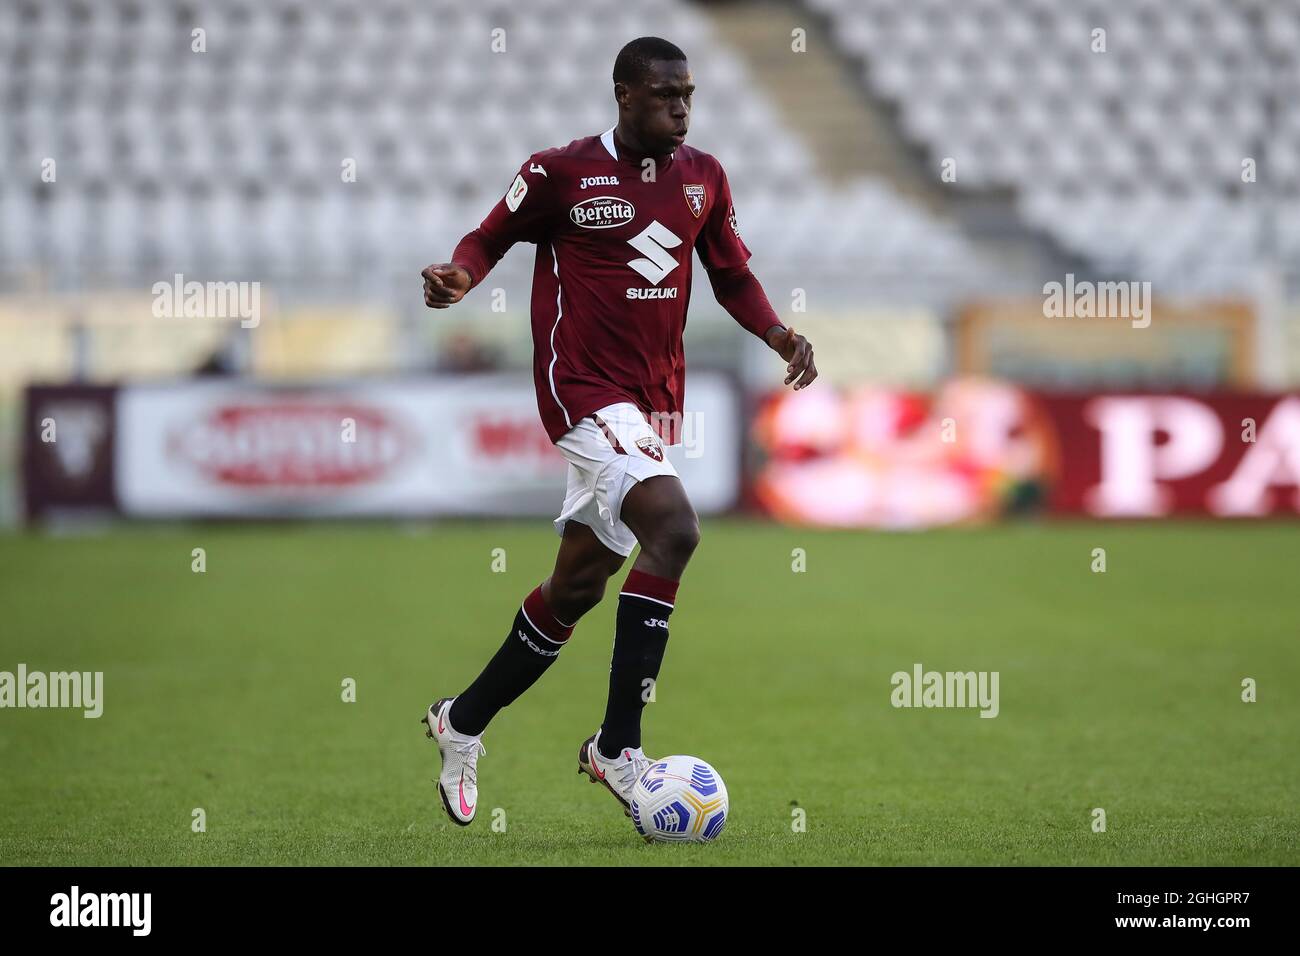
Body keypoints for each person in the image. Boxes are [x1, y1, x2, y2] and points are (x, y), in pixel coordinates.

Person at [419, 36, 817, 825]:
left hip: (652, 404)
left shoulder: (703, 178)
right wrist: (462, 275)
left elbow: (731, 272)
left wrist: (778, 334)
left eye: (690, 96)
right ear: (624, 96)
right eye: (667, 95)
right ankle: (618, 747)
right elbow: (490, 234)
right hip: (581, 391)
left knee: (577, 586)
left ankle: (459, 722)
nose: (682, 109)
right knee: (676, 529)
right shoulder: (559, 172)